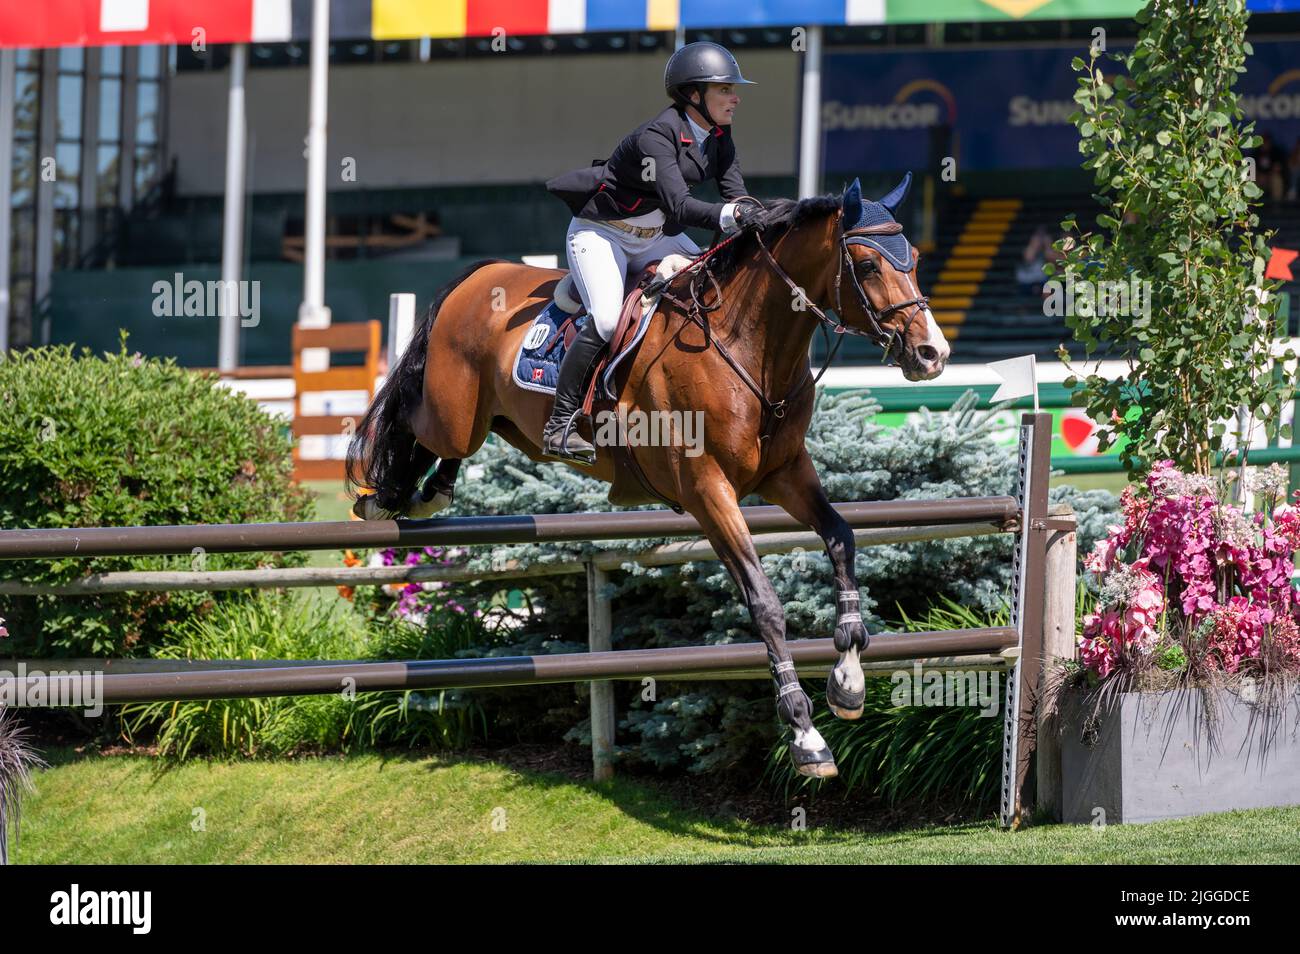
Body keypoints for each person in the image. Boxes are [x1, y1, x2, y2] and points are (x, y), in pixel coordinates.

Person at [542, 41, 768, 463]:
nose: (736, 97)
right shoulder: (656, 137)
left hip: (654, 236)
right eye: (725, 90)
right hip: (601, 233)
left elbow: (736, 194)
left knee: (710, 279)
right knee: (608, 320)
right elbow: (683, 206)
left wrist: (763, 214)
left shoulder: (719, 136)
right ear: (694, 95)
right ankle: (560, 425)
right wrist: (734, 213)